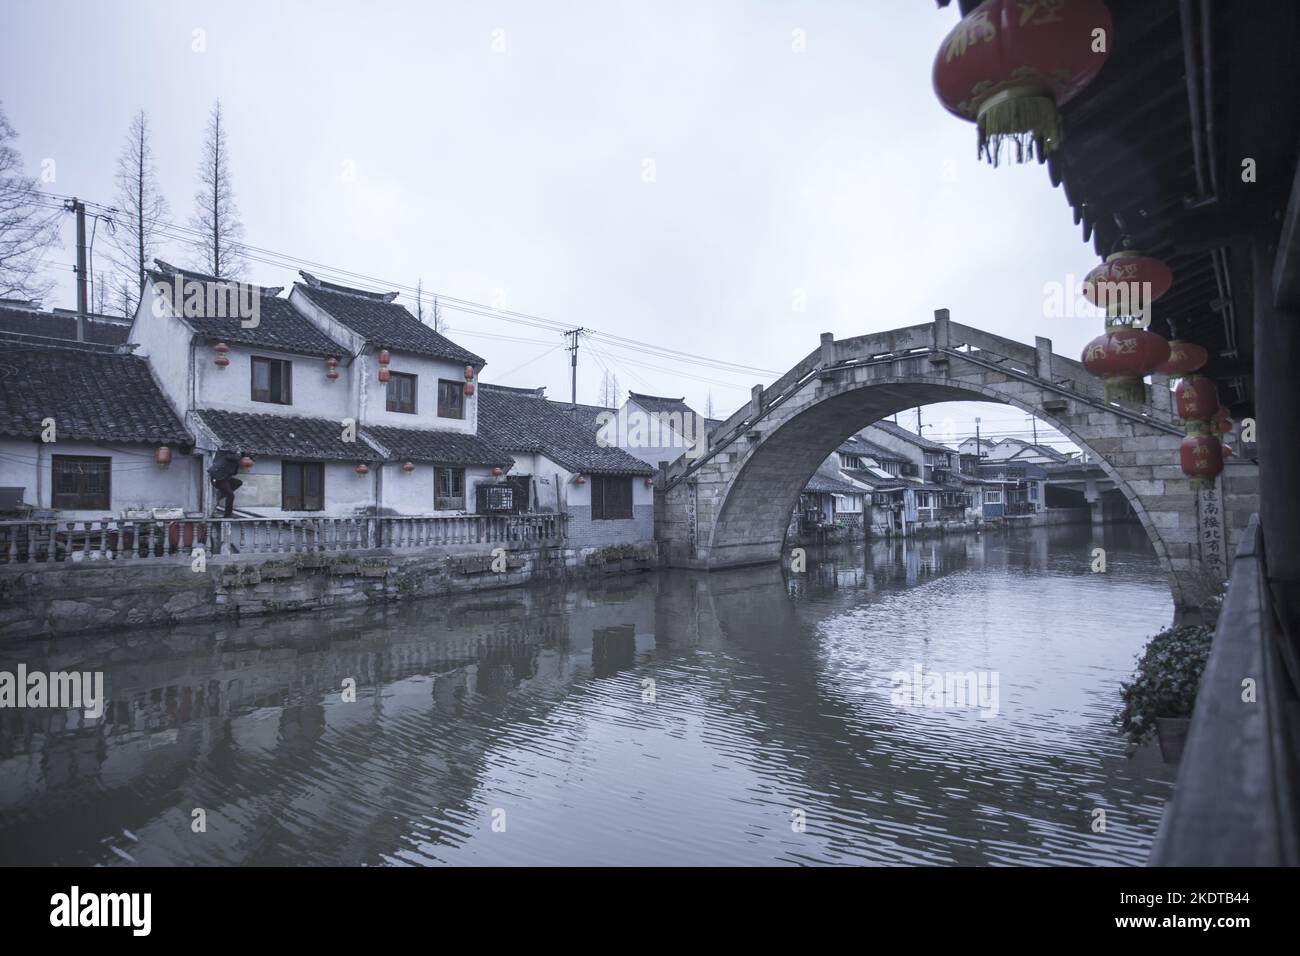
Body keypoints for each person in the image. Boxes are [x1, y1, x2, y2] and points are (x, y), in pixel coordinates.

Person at [208, 450, 244, 518]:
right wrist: (240, 456)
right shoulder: (229, 456)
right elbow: (233, 457)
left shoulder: (233, 461)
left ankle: (221, 494)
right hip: (218, 479)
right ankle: (228, 515)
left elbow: (234, 473)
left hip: (225, 479)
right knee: (231, 495)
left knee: (238, 482)